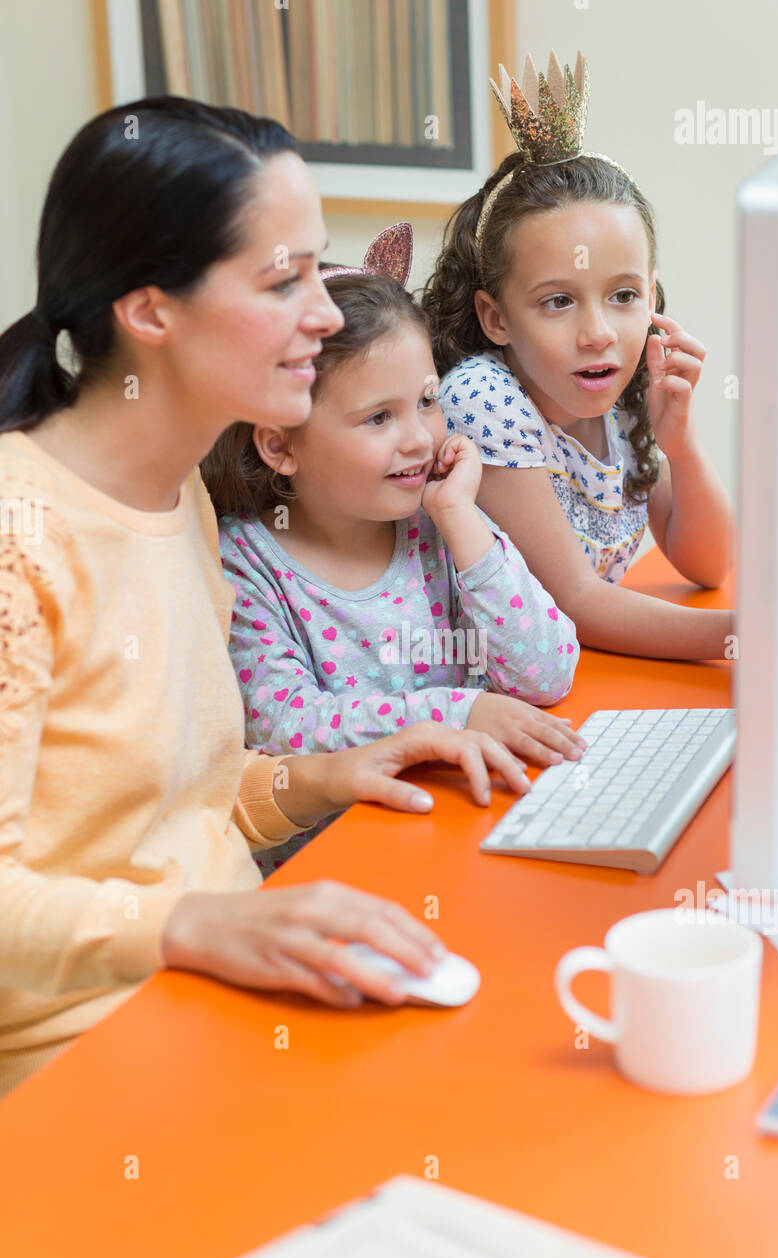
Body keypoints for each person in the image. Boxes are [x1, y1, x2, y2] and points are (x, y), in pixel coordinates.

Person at [0, 96, 531, 1097]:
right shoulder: (20, 539)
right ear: (150, 310)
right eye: (284, 280)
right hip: (85, 1058)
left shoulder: (178, 502)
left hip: (215, 986)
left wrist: (330, 774)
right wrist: (201, 924)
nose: (327, 313)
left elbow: (179, 813)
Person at [200, 225, 584, 868]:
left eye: (427, 402)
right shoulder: (247, 563)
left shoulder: (437, 523)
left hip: (465, 833)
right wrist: (459, 712)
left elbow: (547, 671)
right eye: (379, 417)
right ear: (280, 445)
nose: (418, 439)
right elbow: (290, 731)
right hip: (344, 873)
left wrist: (463, 519)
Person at [421, 51, 735, 661]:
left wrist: (683, 446)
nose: (599, 334)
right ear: (495, 317)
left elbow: (708, 564)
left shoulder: (617, 393)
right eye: (558, 301)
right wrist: (747, 636)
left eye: (623, 295)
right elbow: (575, 601)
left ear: (652, 295)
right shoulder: (484, 399)